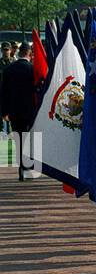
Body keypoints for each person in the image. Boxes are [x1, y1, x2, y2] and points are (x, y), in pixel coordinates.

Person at [0, 44, 37, 179]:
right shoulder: (33, 69)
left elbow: (3, 93)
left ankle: (21, 166)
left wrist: (4, 112)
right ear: (29, 54)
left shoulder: (9, 69)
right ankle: (27, 165)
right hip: (30, 110)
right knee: (29, 138)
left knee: (18, 138)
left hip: (14, 111)